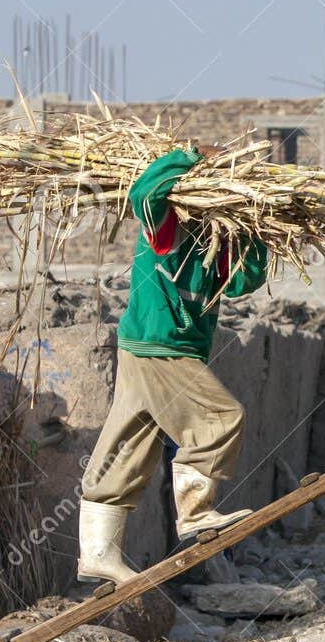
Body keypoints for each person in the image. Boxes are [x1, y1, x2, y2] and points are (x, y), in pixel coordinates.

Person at [76, 145, 269, 585]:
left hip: (149, 348)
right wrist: (189, 157)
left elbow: (243, 278)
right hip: (160, 344)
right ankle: (195, 513)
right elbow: (145, 194)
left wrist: (255, 227)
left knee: (130, 444)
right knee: (220, 418)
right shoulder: (168, 230)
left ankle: (98, 552)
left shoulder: (215, 249)